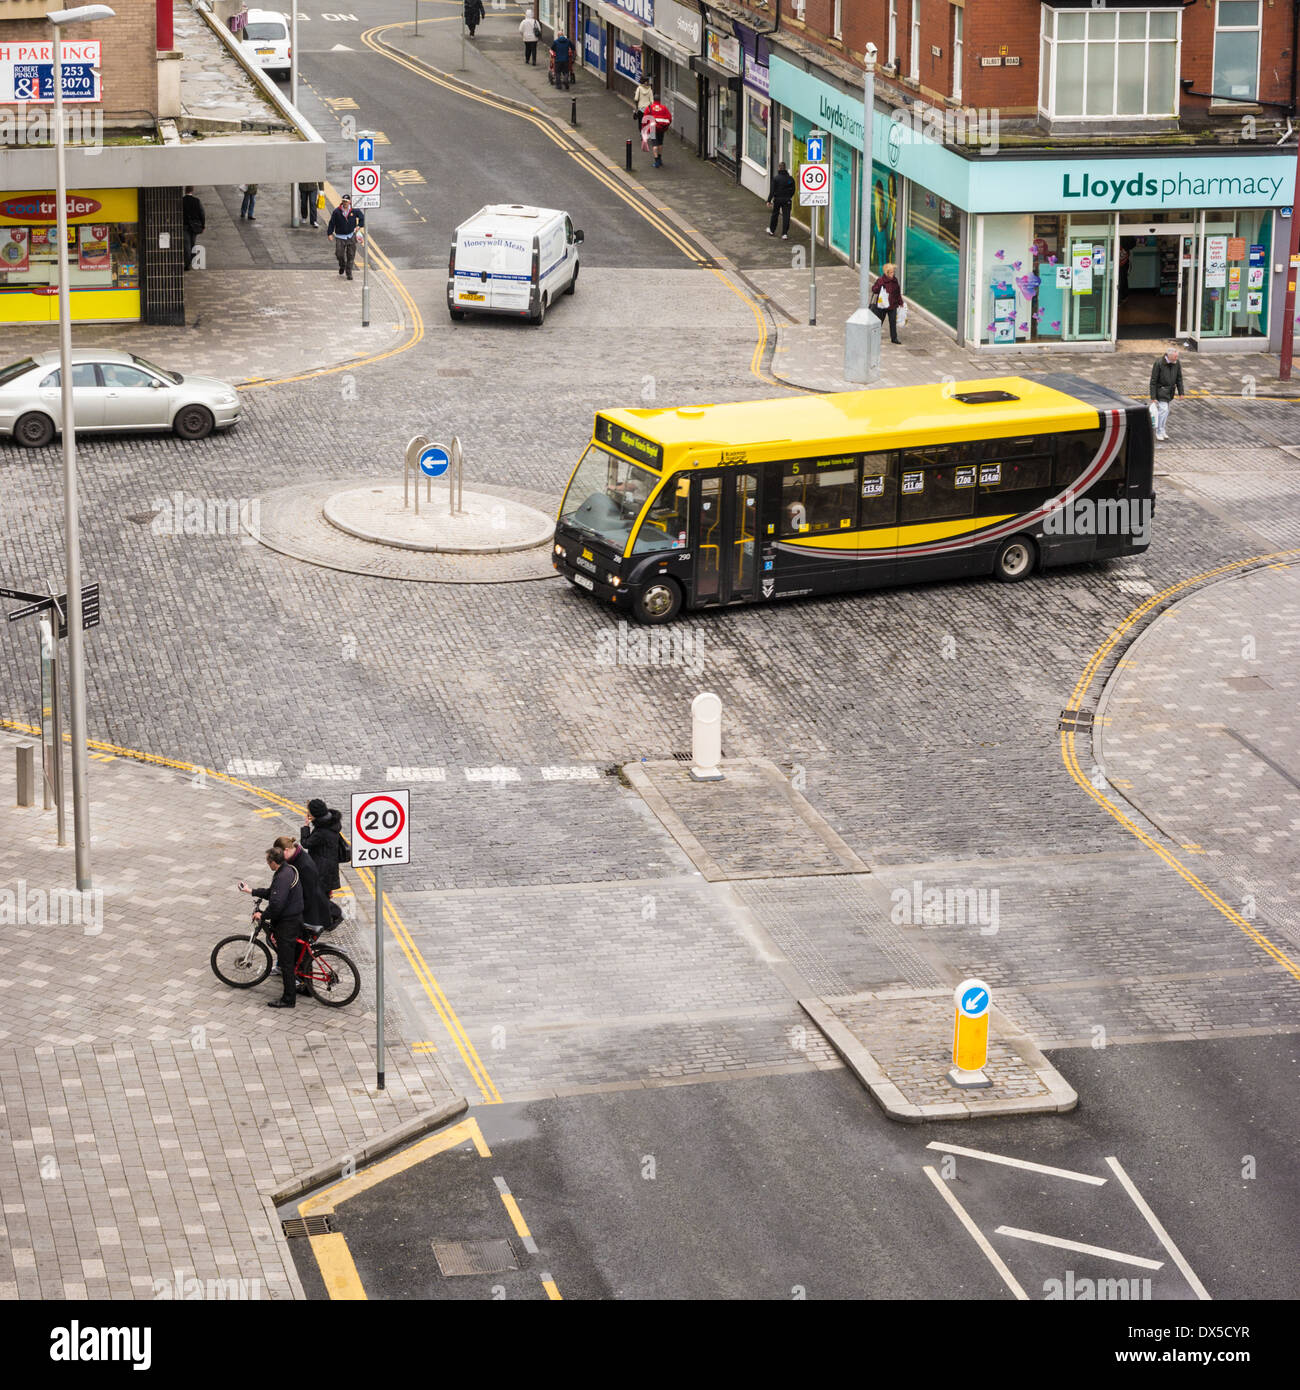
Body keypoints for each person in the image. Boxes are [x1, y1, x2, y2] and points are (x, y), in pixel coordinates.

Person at [237, 847, 304, 1008]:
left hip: (288, 922)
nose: (267, 864)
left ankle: (288, 999)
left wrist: (263, 915)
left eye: (268, 861)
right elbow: (273, 893)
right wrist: (251, 891)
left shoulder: (281, 877)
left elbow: (276, 904)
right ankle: (306, 987)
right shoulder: (288, 869)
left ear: (273, 862)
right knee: (298, 955)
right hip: (297, 916)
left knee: (286, 962)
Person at [273, 835, 330, 946]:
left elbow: (307, 896)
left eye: (279, 855)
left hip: (311, 915)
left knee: (300, 951)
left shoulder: (304, 866)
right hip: (306, 911)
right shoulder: (295, 858)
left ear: (286, 850)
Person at [300, 798, 346, 928]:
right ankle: (326, 921)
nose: (307, 814)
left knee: (318, 896)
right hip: (329, 865)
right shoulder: (330, 823)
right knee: (321, 895)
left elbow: (306, 843)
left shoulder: (322, 831)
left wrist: (305, 826)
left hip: (322, 868)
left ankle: (335, 915)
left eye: (309, 812)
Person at [326, 193, 365, 281]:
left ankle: (349, 273)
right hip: (340, 237)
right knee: (339, 254)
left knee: (351, 255)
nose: (345, 203)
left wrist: (359, 226)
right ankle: (342, 265)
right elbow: (332, 223)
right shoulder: (336, 211)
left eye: (347, 201)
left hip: (351, 236)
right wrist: (330, 233)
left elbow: (362, 218)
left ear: (350, 202)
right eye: (343, 201)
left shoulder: (354, 210)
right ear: (342, 202)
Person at [1149, 346, 1184, 441]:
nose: (1177, 358)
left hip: (1170, 392)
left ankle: (1162, 429)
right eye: (1175, 357)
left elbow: (1179, 378)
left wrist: (1181, 392)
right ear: (1169, 356)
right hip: (1161, 391)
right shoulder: (1159, 363)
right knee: (1163, 410)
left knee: (1166, 411)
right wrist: (1153, 396)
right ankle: (1159, 431)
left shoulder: (1176, 363)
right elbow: (1153, 381)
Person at [869, 262, 904, 344]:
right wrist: (879, 286)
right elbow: (874, 289)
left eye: (893, 272)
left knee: (893, 322)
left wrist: (900, 302)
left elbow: (897, 293)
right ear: (887, 273)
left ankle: (894, 338)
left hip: (892, 305)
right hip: (882, 306)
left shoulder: (895, 281)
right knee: (878, 321)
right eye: (891, 272)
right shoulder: (881, 280)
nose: (893, 274)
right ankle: (874, 336)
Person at [766, 162, 795, 239]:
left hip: (777, 199)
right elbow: (793, 190)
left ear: (779, 168)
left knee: (775, 214)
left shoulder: (776, 178)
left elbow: (772, 191)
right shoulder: (790, 179)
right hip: (787, 200)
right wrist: (789, 196)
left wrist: (769, 201)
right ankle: (784, 234)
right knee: (786, 216)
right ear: (785, 168)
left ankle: (772, 230)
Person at [644, 95, 672, 167]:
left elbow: (645, 119)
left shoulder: (649, 108)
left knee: (654, 144)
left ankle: (656, 161)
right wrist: (666, 127)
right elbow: (669, 118)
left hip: (653, 129)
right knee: (660, 143)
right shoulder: (664, 108)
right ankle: (660, 159)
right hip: (661, 128)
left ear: (653, 100)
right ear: (659, 100)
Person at [181, 186, 205, 271]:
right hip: (195, 226)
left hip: (185, 226)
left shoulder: (181, 201)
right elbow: (202, 213)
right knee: (192, 243)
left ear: (185, 191)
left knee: (186, 245)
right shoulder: (197, 201)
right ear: (192, 191)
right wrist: (203, 225)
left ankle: (187, 264)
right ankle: (191, 259)